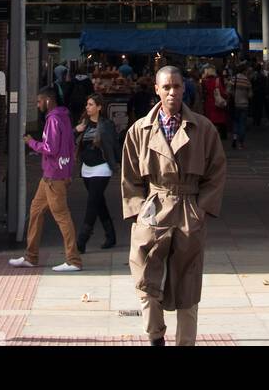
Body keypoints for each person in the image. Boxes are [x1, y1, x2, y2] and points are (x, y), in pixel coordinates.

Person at [122, 66, 227, 347]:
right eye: (166, 87)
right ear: (156, 89)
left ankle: (185, 342)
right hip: (154, 209)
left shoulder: (203, 129)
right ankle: (155, 335)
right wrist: (139, 210)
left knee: (188, 286)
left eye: (177, 86)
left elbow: (216, 172)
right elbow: (129, 177)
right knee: (145, 279)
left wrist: (201, 208)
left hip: (188, 210)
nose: (172, 92)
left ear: (184, 89)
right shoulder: (139, 131)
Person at [10, 88, 82, 272]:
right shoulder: (64, 117)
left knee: (62, 216)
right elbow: (70, 145)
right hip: (54, 174)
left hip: (53, 176)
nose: (38, 104)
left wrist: (31, 143)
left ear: (48, 100)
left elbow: (50, 148)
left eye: (39, 101)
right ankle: (31, 257)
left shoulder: (53, 119)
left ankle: (73, 260)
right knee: (35, 211)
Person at [75, 93, 119, 252]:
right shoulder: (83, 124)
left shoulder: (106, 125)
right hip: (86, 169)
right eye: (87, 104)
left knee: (92, 204)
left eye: (91, 104)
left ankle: (81, 240)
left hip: (102, 168)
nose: (87, 107)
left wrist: (116, 162)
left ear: (99, 107)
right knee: (99, 202)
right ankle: (111, 235)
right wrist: (76, 130)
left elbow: (113, 145)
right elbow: (72, 143)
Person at [201, 64, 229, 140]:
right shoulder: (217, 80)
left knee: (210, 120)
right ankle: (219, 136)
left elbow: (203, 93)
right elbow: (223, 92)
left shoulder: (204, 81)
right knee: (219, 120)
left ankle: (211, 135)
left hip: (208, 104)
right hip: (217, 104)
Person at [230, 62, 252, 149]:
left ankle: (235, 137)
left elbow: (229, 91)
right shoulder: (247, 81)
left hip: (235, 104)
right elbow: (250, 95)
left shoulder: (233, 79)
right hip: (244, 105)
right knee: (242, 123)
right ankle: (241, 143)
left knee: (235, 122)